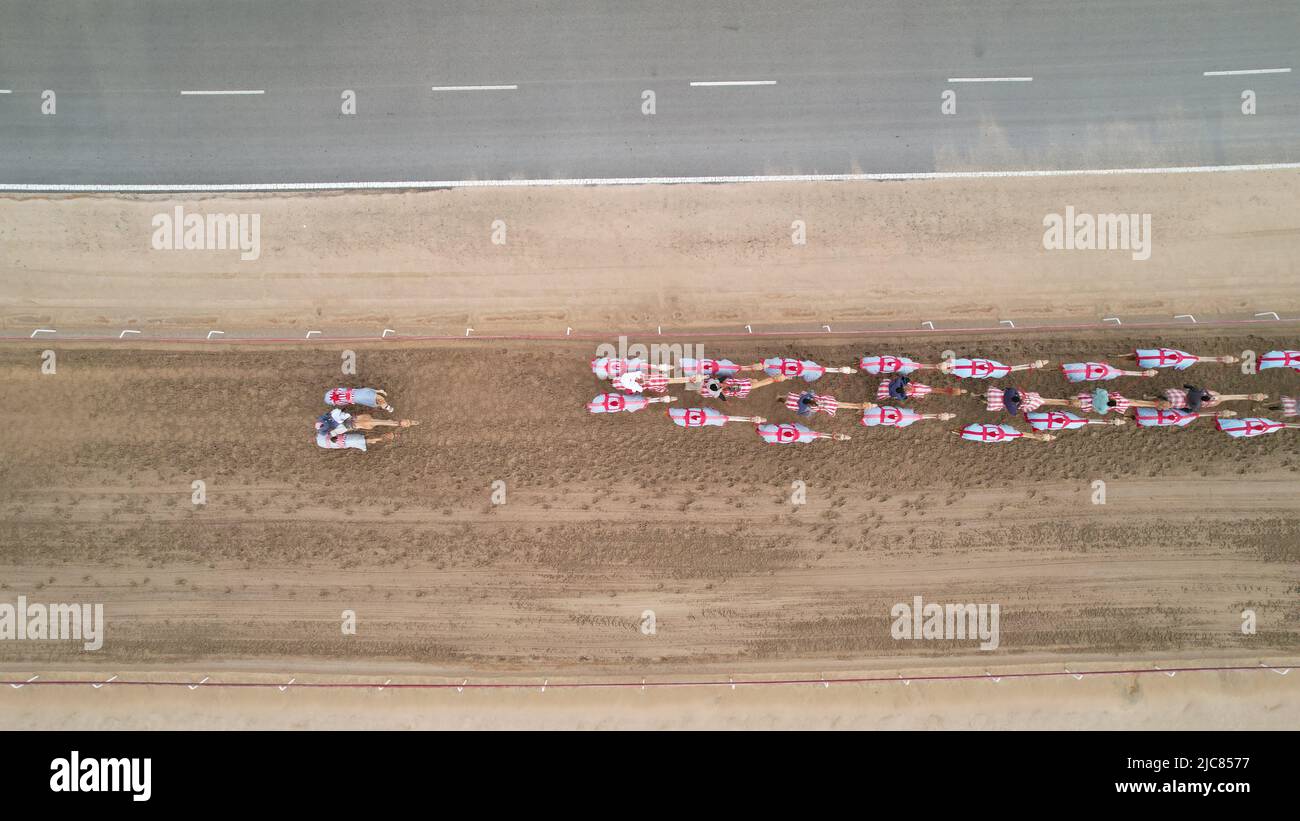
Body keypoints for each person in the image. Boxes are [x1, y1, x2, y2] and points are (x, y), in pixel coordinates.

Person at [316, 409, 419, 435]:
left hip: (347, 422)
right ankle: (395, 423)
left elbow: (333, 414)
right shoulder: (325, 427)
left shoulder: (325, 420)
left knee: (347, 419)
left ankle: (394, 422)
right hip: (346, 425)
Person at [1116, 348, 1237, 370]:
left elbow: (1168, 350)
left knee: (1138, 354)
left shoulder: (1187, 356)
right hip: (1158, 360)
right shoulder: (1188, 360)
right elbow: (1178, 367)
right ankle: (1122, 358)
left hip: (1158, 355)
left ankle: (1120, 356)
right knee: (1138, 358)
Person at [1060, 362, 1157, 382]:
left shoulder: (1108, 367)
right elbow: (1102, 378)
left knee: (1079, 366)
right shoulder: (1111, 374)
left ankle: (1066, 368)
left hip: (1082, 368)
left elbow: (1090, 363)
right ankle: (1070, 377)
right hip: (1083, 374)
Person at [324, 387, 394, 412]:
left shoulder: (337, 402)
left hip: (355, 399)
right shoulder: (337, 391)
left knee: (370, 398)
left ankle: (384, 405)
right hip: (355, 393)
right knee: (367, 391)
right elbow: (345, 389)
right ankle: (380, 393)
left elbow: (346, 403)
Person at [315, 431, 396, 451]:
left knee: (362, 440)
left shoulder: (322, 442)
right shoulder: (321, 439)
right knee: (362, 440)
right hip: (346, 441)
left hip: (344, 441)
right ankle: (383, 438)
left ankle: (381, 438)